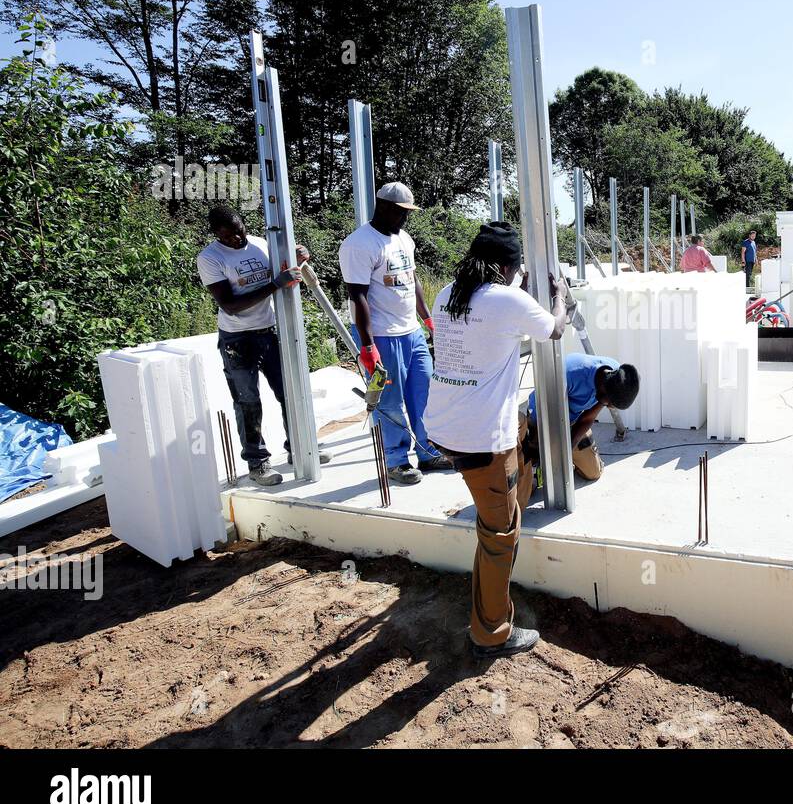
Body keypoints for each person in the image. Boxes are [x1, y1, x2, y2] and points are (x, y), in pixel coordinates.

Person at [423, 222, 569, 659]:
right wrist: (559, 295)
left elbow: (490, 320)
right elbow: (555, 330)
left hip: (444, 426)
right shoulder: (509, 299)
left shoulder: (450, 291)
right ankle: (491, 631)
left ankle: (487, 597)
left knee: (500, 508)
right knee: (500, 535)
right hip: (481, 440)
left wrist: (518, 287)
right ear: (508, 268)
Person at [197, 205, 330, 487]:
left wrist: (297, 257)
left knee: (288, 392)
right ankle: (258, 463)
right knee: (248, 402)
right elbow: (230, 306)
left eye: (239, 231)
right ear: (216, 235)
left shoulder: (259, 243)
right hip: (237, 339)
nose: (236, 239)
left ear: (243, 224)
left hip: (268, 332)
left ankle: (299, 447)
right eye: (228, 236)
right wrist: (275, 285)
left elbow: (286, 266)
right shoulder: (210, 258)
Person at [340, 182, 438, 485]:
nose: (405, 218)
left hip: (411, 332)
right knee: (390, 401)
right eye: (401, 212)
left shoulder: (403, 238)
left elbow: (412, 279)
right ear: (383, 207)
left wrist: (427, 317)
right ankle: (397, 461)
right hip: (382, 336)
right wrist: (368, 345)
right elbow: (358, 296)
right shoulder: (359, 244)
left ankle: (428, 451)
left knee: (424, 393)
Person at [519, 354, 640, 489]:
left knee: (593, 472)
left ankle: (568, 459)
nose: (610, 407)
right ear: (603, 391)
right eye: (611, 404)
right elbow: (546, 417)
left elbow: (587, 418)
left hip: (572, 419)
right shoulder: (568, 375)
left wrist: (567, 449)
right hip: (543, 417)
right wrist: (548, 453)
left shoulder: (614, 379)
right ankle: (532, 452)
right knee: (530, 484)